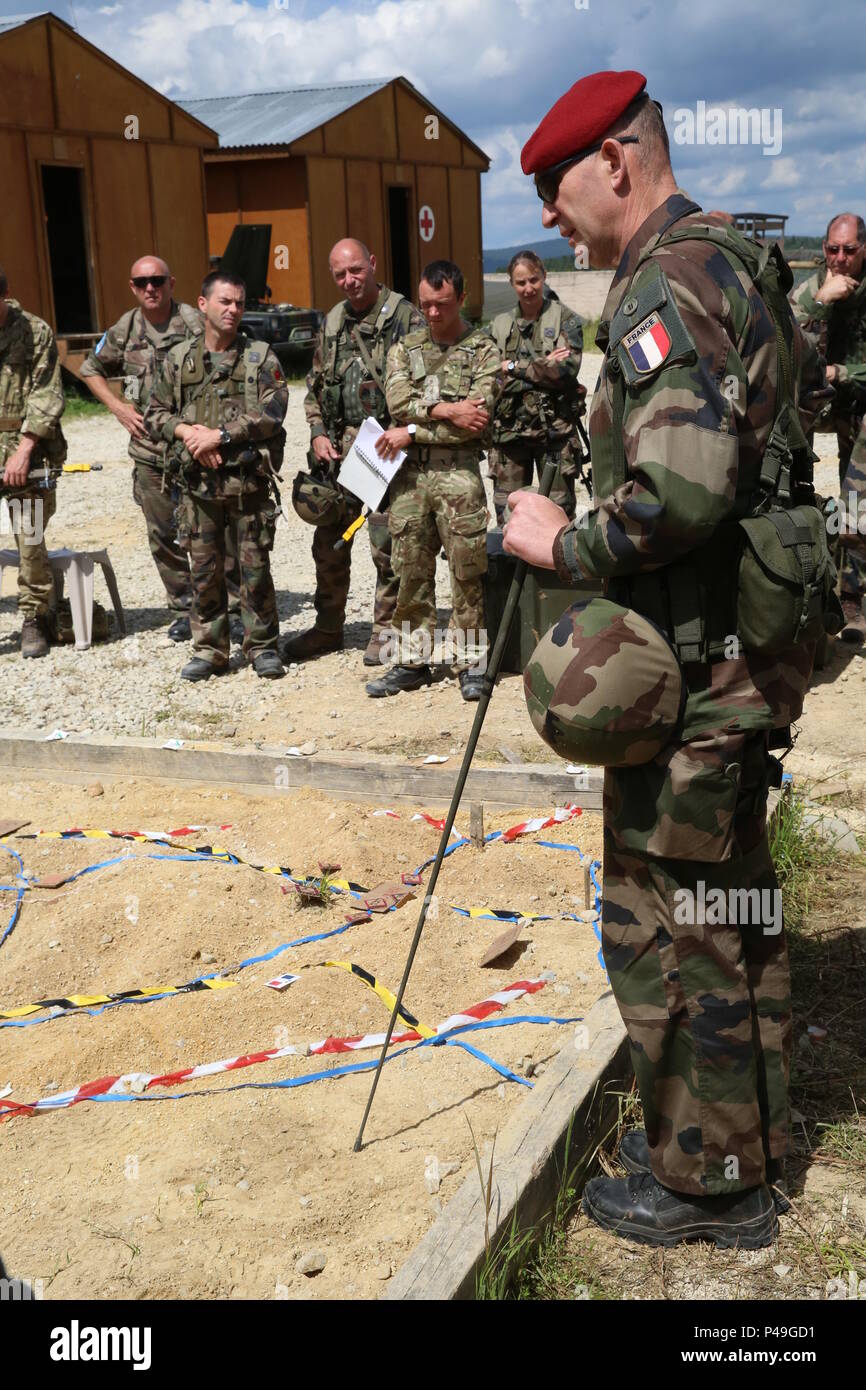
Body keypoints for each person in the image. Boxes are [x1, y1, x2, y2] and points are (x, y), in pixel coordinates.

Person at [509, 70, 821, 1247]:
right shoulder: (735, 257)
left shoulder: (663, 283)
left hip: (691, 677)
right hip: (739, 663)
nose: (546, 212)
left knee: (666, 922)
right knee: (731, 902)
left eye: (553, 182)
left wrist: (559, 537)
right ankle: (748, 1135)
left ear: (616, 162)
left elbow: (680, 489)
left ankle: (706, 1186)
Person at [80, 256, 242, 644]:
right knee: (162, 532)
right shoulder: (126, 328)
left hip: (191, 447)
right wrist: (118, 409)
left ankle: (231, 609)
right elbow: (90, 369)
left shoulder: (192, 322)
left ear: (171, 283)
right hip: (149, 451)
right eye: (142, 282)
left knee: (213, 529)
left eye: (157, 281)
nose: (150, 288)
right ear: (133, 287)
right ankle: (186, 608)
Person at [285, 239, 423, 666]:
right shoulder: (332, 323)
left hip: (386, 448)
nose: (350, 281)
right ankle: (328, 627)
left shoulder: (405, 317)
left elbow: (426, 383)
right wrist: (317, 433)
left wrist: (408, 432)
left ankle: (386, 629)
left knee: (386, 543)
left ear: (373, 264)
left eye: (356, 270)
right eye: (341, 274)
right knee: (331, 540)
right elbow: (314, 388)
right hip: (341, 451)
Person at [367, 259, 500, 702]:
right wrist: (445, 410)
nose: (432, 313)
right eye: (425, 304)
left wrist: (409, 430)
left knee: (467, 570)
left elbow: (477, 421)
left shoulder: (483, 350)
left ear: (461, 298)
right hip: (410, 478)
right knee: (408, 571)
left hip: (458, 474)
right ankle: (410, 660)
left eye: (442, 304)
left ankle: (472, 663)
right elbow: (398, 401)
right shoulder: (404, 348)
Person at [143, 271, 287, 681]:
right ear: (203, 305)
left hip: (248, 485)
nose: (233, 309)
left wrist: (220, 437)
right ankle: (210, 650)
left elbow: (273, 412)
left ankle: (262, 646)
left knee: (254, 570)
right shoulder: (177, 360)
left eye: (239, 302)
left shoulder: (260, 356)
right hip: (197, 488)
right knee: (204, 572)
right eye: (225, 301)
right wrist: (190, 435)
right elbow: (155, 413)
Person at [791, 214, 866, 643]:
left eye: (849, 251)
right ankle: (807, 590)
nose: (839, 259)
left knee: (855, 497)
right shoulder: (812, 287)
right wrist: (821, 300)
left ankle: (852, 596)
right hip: (813, 403)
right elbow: (782, 342)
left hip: (857, 402)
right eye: (831, 249)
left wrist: (843, 372)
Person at [487, 249, 586, 523]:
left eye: (534, 280)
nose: (528, 288)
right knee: (509, 518)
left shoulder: (565, 319)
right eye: (521, 282)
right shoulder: (498, 326)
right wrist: (543, 365)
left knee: (558, 517)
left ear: (544, 277)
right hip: (509, 437)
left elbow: (564, 373)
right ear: (511, 284)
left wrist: (511, 367)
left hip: (554, 435)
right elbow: (488, 377)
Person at [0, 265, 66, 658]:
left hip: (28, 447)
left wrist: (23, 450)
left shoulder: (34, 332)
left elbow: (46, 394)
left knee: (30, 535)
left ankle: (36, 617)